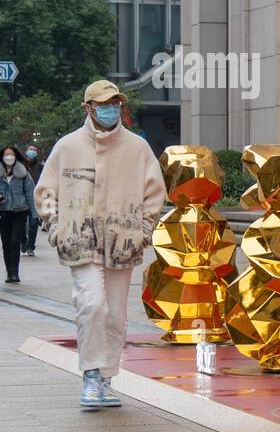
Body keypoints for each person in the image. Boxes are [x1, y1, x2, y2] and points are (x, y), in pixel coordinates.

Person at [35, 81, 166, 410]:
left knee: (115, 313)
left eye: (116, 103)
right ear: (88, 107)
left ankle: (107, 376)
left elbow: (154, 192)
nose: (112, 109)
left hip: (123, 242)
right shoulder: (68, 146)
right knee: (92, 303)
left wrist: (144, 230)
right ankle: (91, 374)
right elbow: (46, 191)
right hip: (80, 241)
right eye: (104, 103)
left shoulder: (137, 148)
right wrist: (55, 228)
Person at [0, 145, 35, 284]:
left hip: (20, 211)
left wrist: (34, 212)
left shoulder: (23, 172)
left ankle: (15, 273)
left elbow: (30, 192)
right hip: (3, 212)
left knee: (15, 241)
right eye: (6, 155)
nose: (9, 157)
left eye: (12, 155)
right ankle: (9, 272)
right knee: (6, 242)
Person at [22, 143, 43, 257]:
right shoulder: (20, 165)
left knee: (33, 224)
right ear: (26, 151)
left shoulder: (39, 166)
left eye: (35, 150)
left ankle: (30, 246)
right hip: (22, 199)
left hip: (35, 198)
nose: (32, 151)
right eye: (30, 149)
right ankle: (23, 242)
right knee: (22, 224)